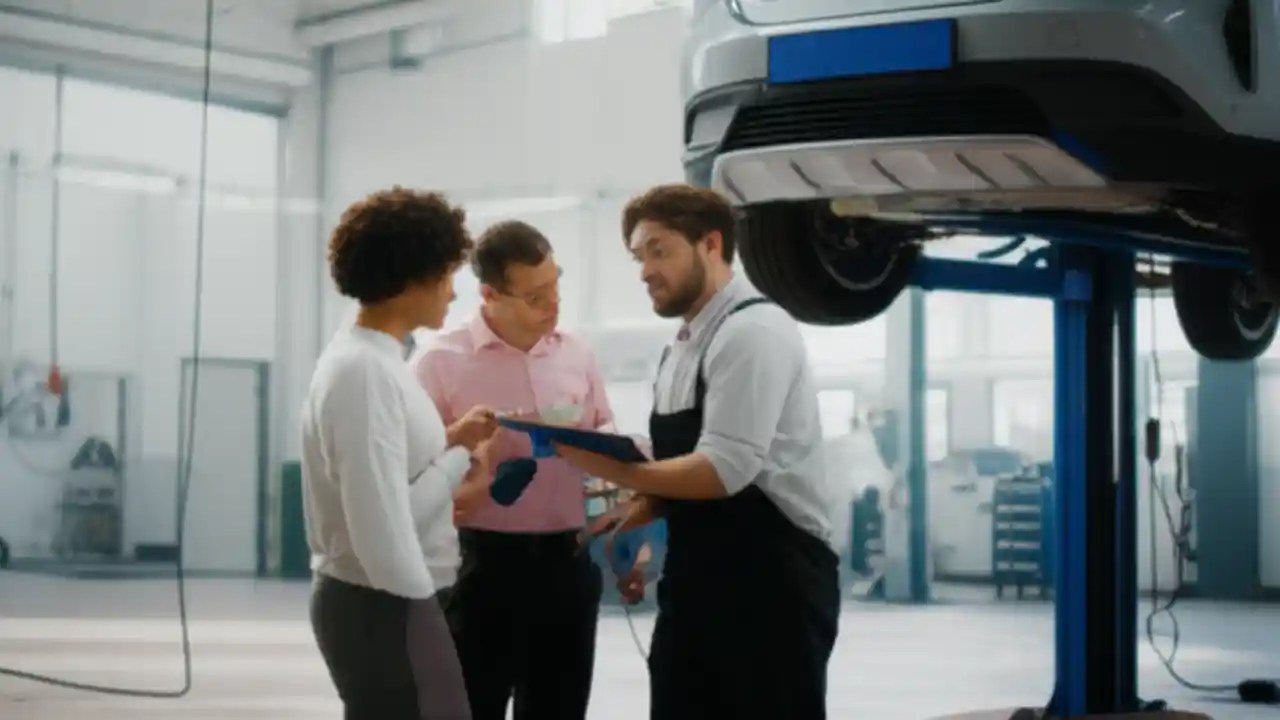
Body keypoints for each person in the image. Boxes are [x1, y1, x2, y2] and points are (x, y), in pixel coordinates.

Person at [554, 184, 841, 720]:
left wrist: (604, 464)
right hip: (700, 580)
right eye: (639, 257)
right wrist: (644, 509)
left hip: (770, 590)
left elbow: (724, 469)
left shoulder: (752, 332)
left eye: (658, 250)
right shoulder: (683, 346)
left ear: (710, 244)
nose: (643, 271)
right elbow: (683, 454)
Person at [301, 187, 498, 720]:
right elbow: (385, 527)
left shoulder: (378, 362)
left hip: (389, 600)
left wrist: (453, 443)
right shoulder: (364, 373)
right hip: (385, 601)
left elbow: (390, 482)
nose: (452, 293)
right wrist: (456, 459)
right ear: (410, 279)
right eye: (446, 275)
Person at [412, 220, 616, 720]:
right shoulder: (439, 362)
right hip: (479, 567)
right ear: (489, 294)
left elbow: (607, 439)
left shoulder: (577, 354)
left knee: (558, 709)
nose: (552, 305)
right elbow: (411, 466)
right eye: (534, 296)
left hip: (568, 562)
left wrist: (619, 529)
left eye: (555, 287)